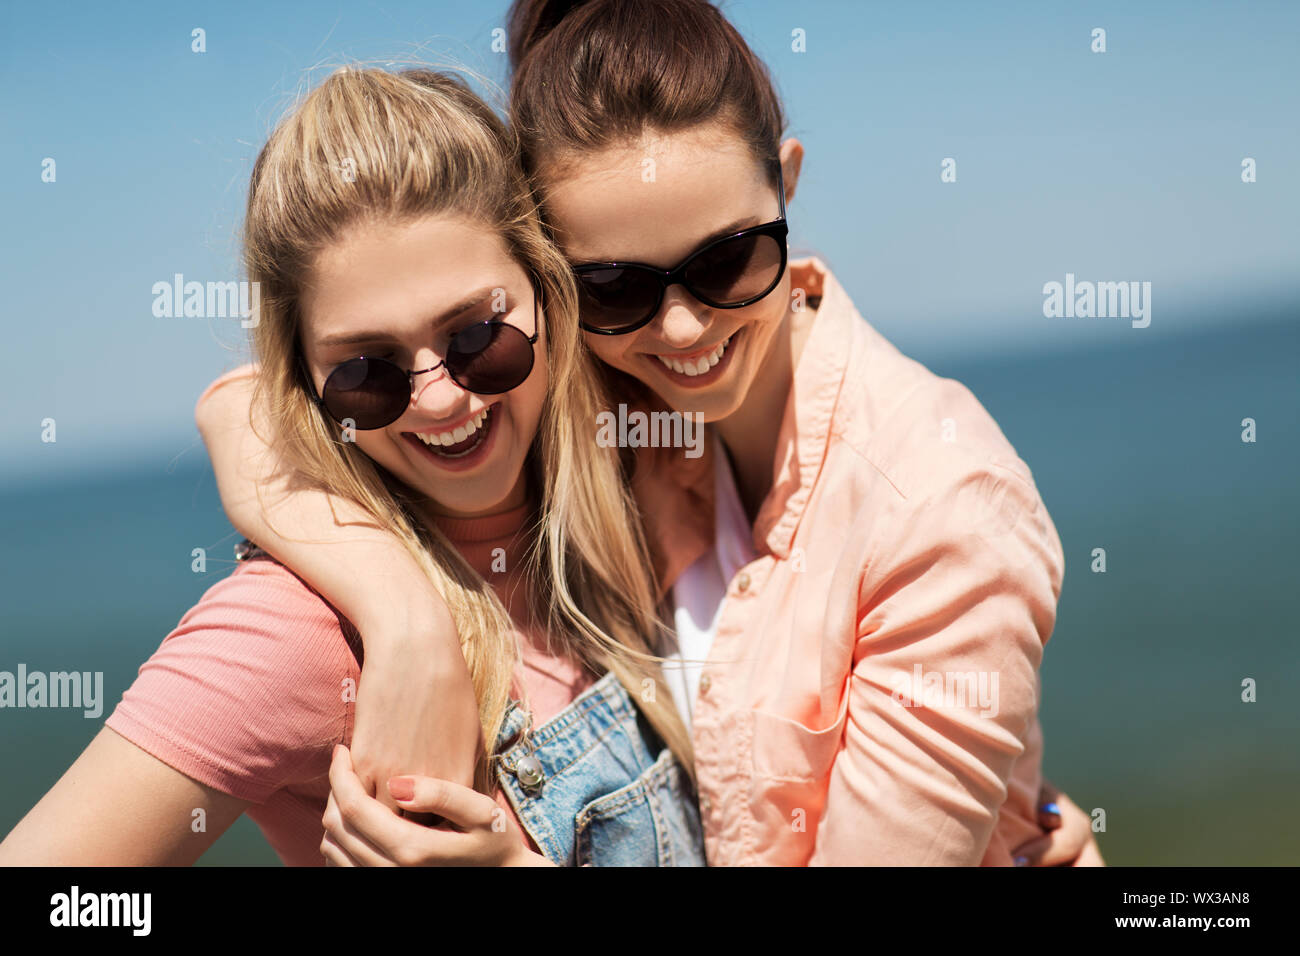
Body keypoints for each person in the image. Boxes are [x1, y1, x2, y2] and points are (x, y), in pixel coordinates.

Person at [198, 0, 1104, 867]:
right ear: (551, 276)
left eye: (728, 260)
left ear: (786, 183)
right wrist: (405, 621)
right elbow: (253, 402)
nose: (679, 331)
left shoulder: (940, 510)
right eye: (617, 288)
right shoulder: (574, 391)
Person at [0, 66, 703, 868]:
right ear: (305, 379)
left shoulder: (628, 477)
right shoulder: (296, 629)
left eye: (477, 335)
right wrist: (408, 621)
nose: (439, 400)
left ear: (547, 292)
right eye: (367, 372)